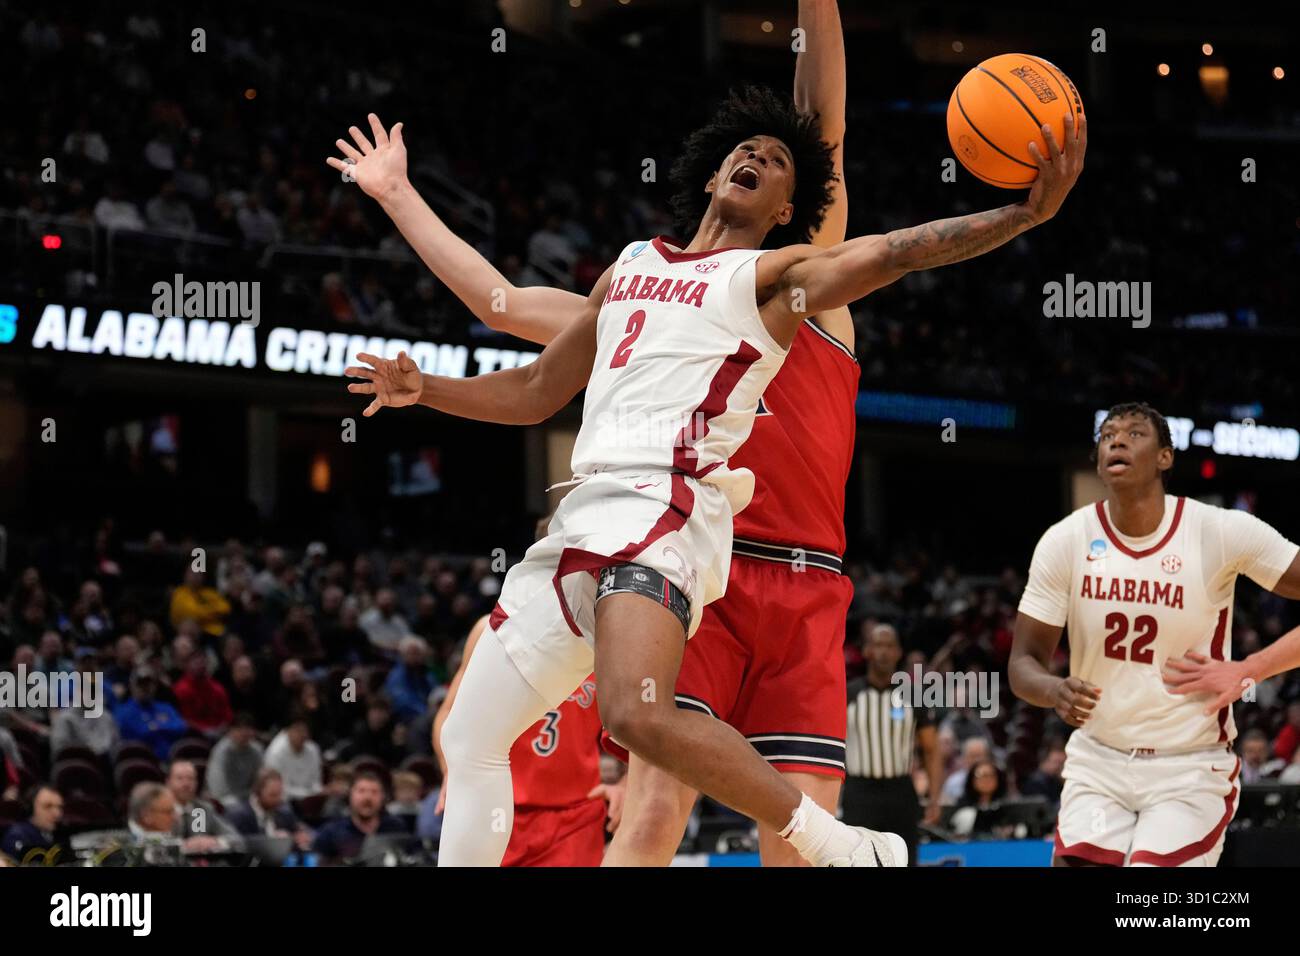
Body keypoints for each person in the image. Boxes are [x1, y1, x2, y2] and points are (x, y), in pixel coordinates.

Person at [331, 48, 1083, 867]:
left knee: (633, 715)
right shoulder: (630, 270)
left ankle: (837, 842)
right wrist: (424, 375)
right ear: (712, 168)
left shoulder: (772, 281)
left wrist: (1021, 218)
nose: (758, 156)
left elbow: (893, 250)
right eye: (746, 148)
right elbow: (536, 384)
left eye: (779, 160)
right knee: (473, 735)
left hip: (669, 515)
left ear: (793, 204)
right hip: (585, 516)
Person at [1011, 402, 1300, 866]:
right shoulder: (1065, 540)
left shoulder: (1218, 531)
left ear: (1165, 457)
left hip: (1188, 766)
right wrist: (1052, 689)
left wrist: (1250, 669)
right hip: (1099, 760)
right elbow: (1023, 662)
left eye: (1133, 433)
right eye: (1107, 435)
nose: (1117, 440)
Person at [433, 614, 616, 867]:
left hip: (575, 814)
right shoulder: (491, 628)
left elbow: (639, 713)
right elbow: (448, 713)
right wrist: (451, 769)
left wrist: (628, 782)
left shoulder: (609, 634)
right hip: (497, 803)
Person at [841, 623, 943, 864]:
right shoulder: (849, 694)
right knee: (858, 860)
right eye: (878, 645)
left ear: (898, 652)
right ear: (866, 651)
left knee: (904, 859)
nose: (883, 652)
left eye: (889, 646)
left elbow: (931, 749)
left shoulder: (914, 696)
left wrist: (935, 798)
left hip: (900, 791)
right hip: (859, 792)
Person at [310, 771, 407, 864]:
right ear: (350, 795)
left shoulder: (396, 828)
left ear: (383, 797)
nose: (368, 797)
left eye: (374, 792)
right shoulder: (331, 833)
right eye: (361, 791)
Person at [115, 667, 189, 761]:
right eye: (140, 684)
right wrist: (165, 727)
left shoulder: (165, 707)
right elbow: (140, 733)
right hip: (140, 761)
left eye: (148, 684)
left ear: (155, 686)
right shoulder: (123, 711)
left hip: (170, 760)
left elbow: (181, 727)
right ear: (132, 686)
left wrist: (156, 727)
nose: (145, 688)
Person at [0, 785, 70, 865]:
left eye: (59, 807)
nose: (57, 814)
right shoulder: (16, 836)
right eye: (48, 806)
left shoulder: (59, 834)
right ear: (31, 808)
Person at [206, 713, 266, 806]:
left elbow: (262, 781)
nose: (244, 733)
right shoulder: (221, 752)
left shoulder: (257, 750)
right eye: (239, 729)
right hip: (225, 799)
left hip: (249, 798)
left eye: (248, 729)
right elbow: (217, 790)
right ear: (230, 731)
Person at [264, 712, 323, 799]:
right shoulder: (275, 752)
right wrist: (307, 794)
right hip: (282, 799)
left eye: (305, 731)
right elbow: (277, 788)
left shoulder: (313, 749)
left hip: (310, 798)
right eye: (298, 730)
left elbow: (316, 783)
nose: (303, 735)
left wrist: (319, 792)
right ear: (287, 731)